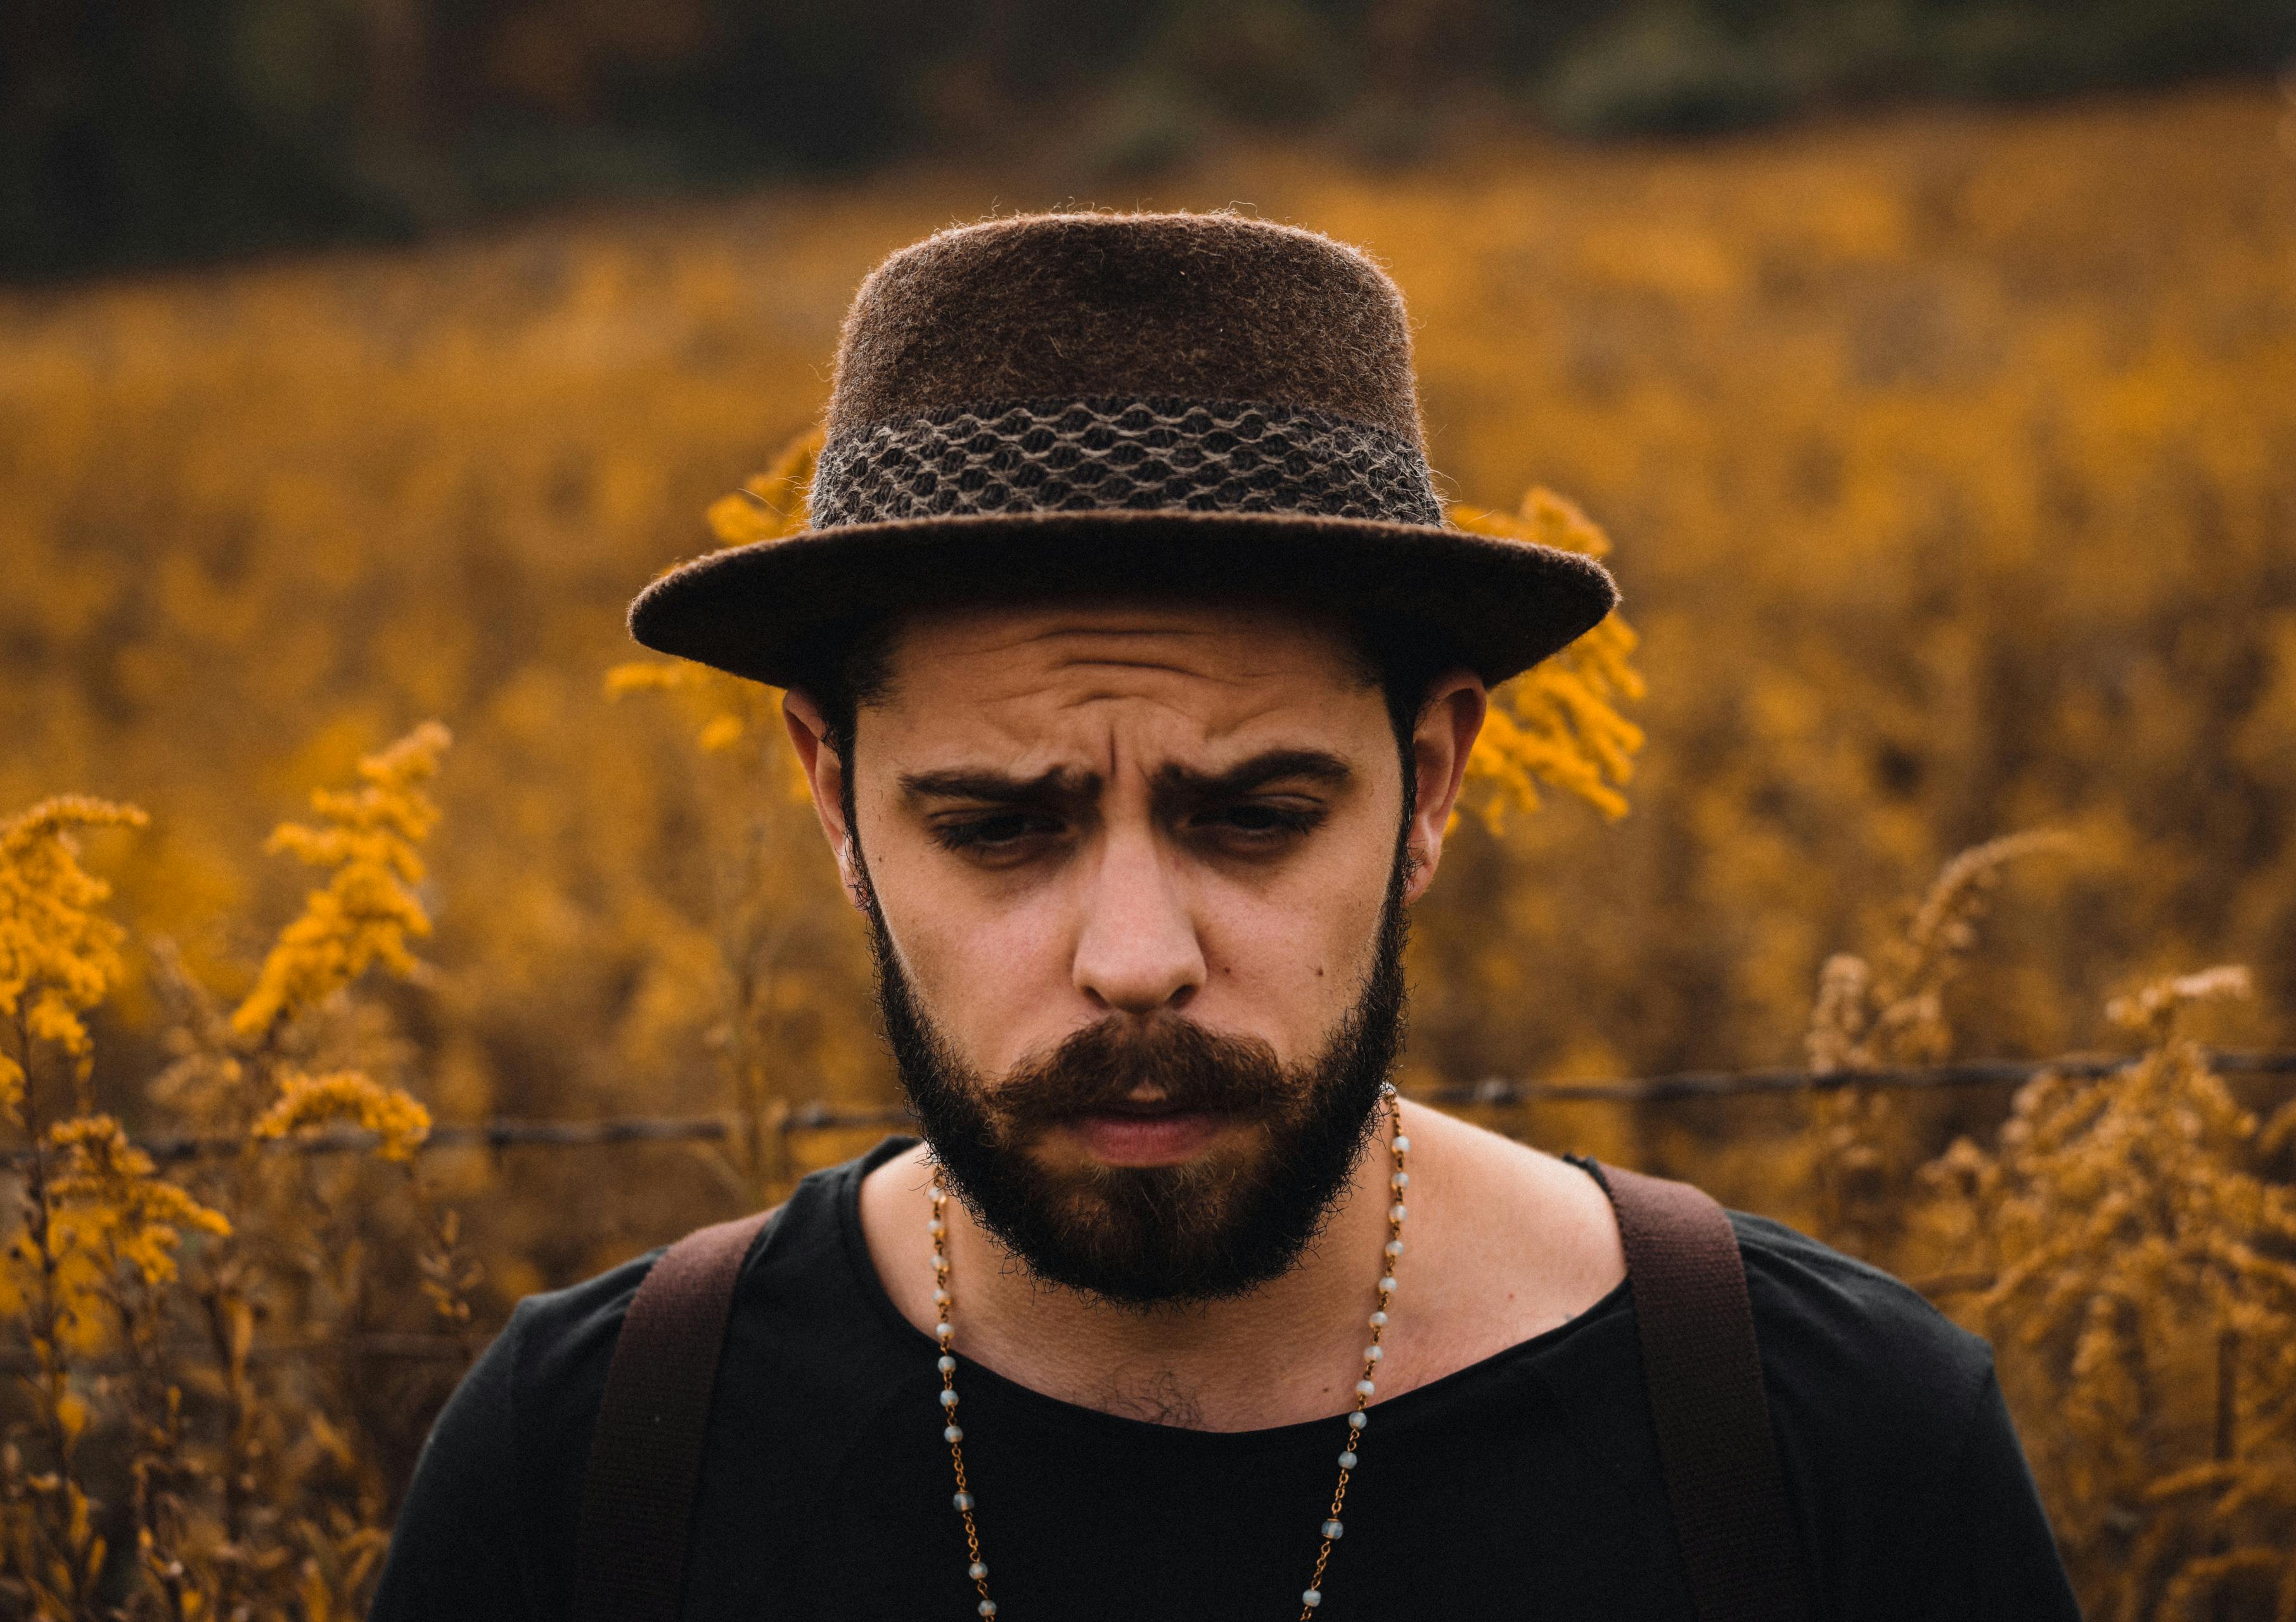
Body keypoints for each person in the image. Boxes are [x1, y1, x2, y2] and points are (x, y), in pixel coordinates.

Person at [369, 210, 2082, 1621]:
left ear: (1431, 780)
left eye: (1254, 817)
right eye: (996, 827)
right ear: (832, 792)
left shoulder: (1825, 1452)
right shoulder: (592, 1469)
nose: (1135, 958)